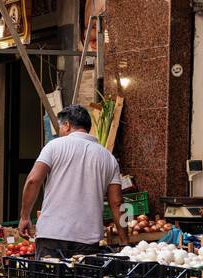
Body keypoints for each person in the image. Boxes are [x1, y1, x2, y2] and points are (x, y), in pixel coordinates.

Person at [19, 104, 128, 259]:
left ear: (67, 125)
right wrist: (124, 241)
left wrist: (25, 216)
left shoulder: (53, 147)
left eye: (60, 127)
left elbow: (33, 181)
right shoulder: (108, 158)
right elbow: (117, 203)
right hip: (88, 240)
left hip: (52, 234)